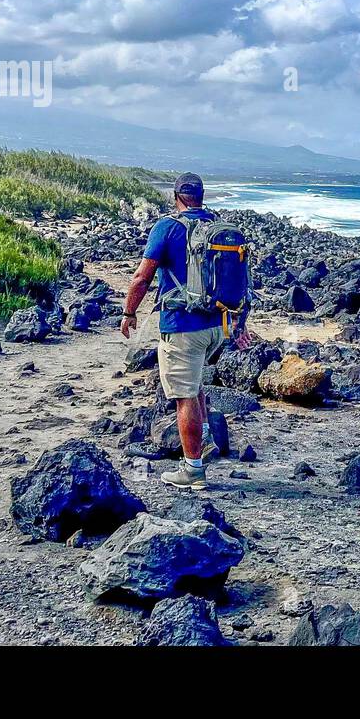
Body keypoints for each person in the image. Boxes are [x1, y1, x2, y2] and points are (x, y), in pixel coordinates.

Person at [120, 172, 251, 490]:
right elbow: (242, 279)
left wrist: (128, 312)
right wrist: (240, 323)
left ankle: (193, 470)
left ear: (176, 196)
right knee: (194, 382)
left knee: (184, 395)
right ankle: (204, 439)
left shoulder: (167, 227)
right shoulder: (218, 228)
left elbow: (142, 277)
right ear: (202, 196)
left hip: (182, 326)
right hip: (217, 326)